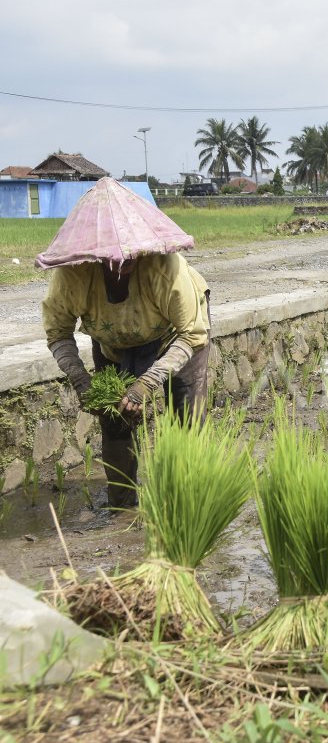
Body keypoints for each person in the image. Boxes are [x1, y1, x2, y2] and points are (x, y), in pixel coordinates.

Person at [38, 177, 212, 511]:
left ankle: (191, 503)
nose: (121, 263)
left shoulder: (165, 268)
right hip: (112, 344)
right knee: (115, 421)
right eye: (110, 258)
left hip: (176, 338)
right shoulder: (72, 278)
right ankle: (122, 506)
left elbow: (192, 334)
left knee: (187, 417)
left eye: (129, 255)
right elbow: (58, 334)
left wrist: (147, 382)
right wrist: (81, 380)